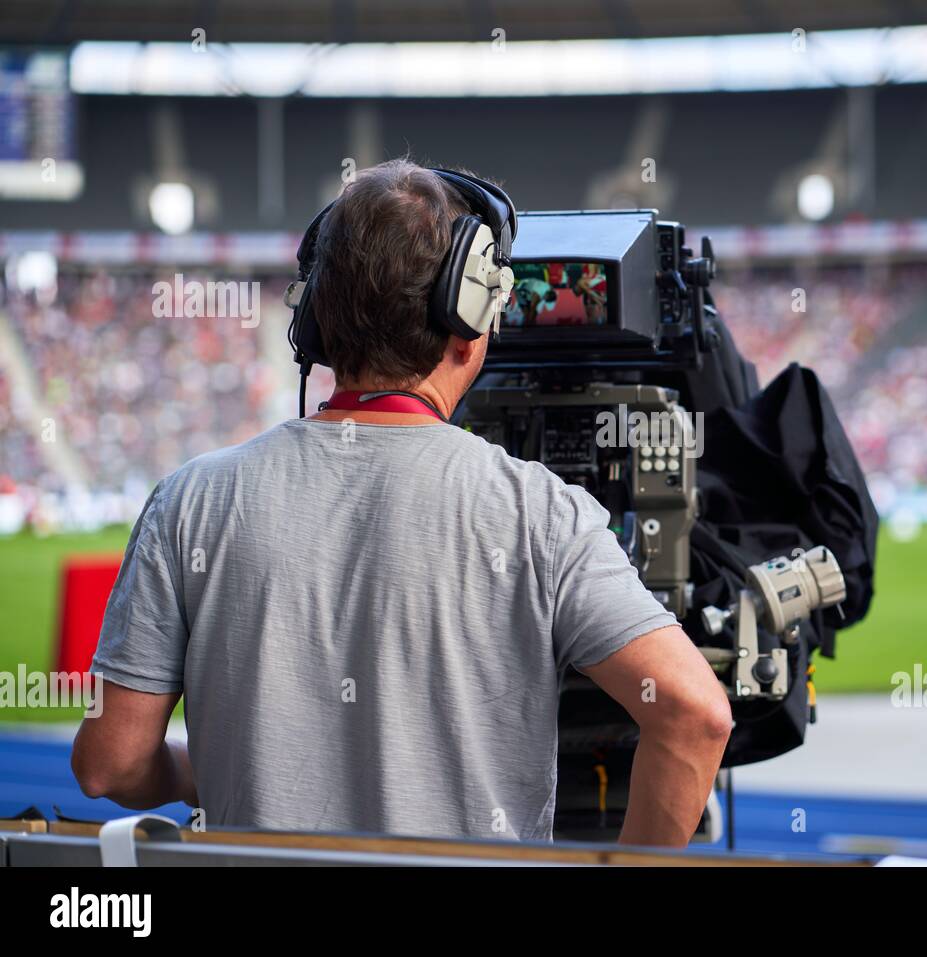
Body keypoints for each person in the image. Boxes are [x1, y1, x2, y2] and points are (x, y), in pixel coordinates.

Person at [71, 159, 732, 847]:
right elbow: (694, 715)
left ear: (316, 321)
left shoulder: (189, 500)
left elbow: (108, 762)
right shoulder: (541, 512)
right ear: (470, 317)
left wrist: (199, 773)